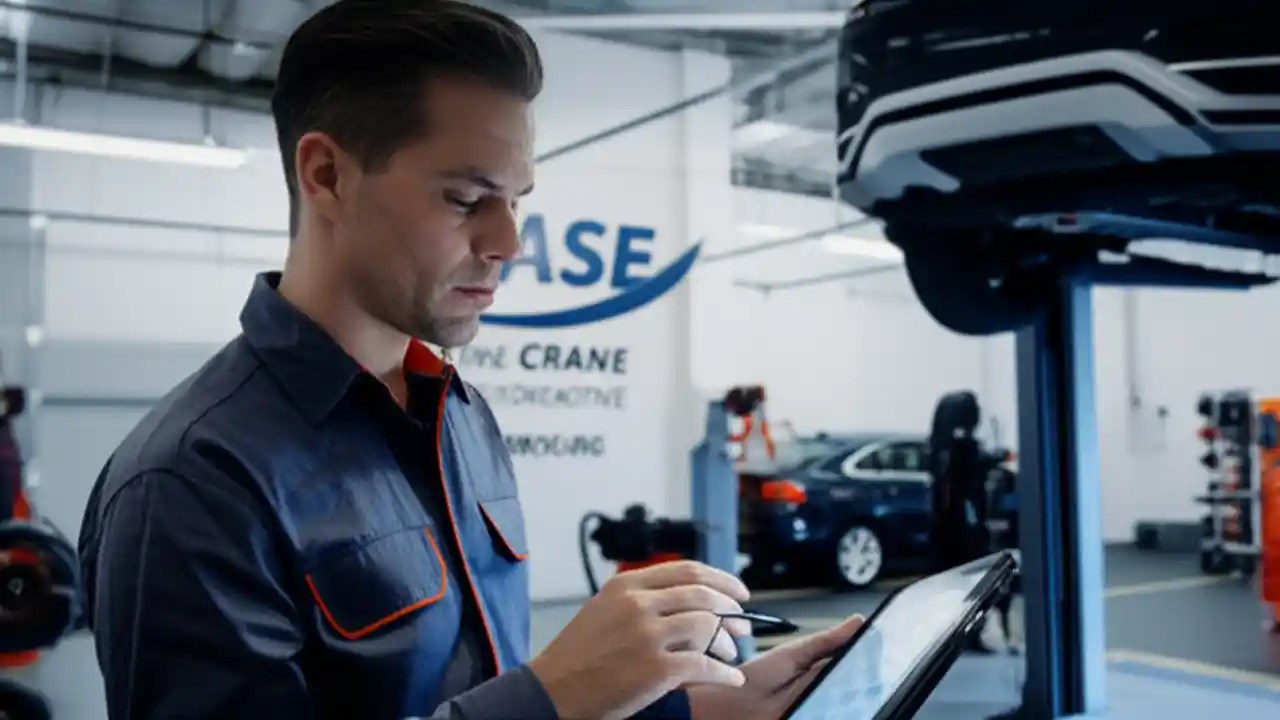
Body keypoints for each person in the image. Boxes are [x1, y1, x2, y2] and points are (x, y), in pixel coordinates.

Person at [76, 1, 863, 718]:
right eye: (465, 199)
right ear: (326, 175)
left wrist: (710, 708)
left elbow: (477, 689)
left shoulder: (460, 416)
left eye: (515, 200)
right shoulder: (188, 484)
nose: (508, 244)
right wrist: (556, 695)